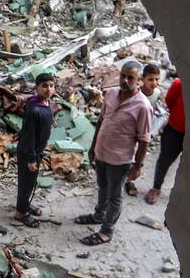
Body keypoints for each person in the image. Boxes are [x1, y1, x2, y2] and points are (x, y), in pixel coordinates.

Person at [77, 60, 151, 246]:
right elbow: (101, 121)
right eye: (123, 76)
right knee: (102, 186)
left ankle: (106, 231)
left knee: (115, 196)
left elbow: (144, 140)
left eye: (130, 78)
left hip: (120, 159)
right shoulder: (110, 94)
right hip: (102, 153)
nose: (125, 80)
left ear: (139, 80)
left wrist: (138, 166)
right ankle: (98, 215)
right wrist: (93, 147)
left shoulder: (143, 106)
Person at [14, 73, 55, 227]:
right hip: (29, 152)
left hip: (36, 150)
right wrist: (31, 159)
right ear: (36, 87)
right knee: (26, 183)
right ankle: (20, 213)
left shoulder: (43, 103)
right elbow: (30, 134)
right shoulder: (34, 109)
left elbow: (29, 128)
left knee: (29, 182)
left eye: (51, 86)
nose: (48, 89)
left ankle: (24, 204)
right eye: (44, 86)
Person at [126, 62, 166, 196]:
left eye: (156, 79)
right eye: (150, 79)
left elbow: (160, 110)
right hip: (132, 129)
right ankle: (126, 181)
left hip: (145, 129)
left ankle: (130, 179)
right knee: (128, 155)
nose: (154, 83)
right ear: (142, 79)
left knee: (139, 156)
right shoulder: (135, 93)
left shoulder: (157, 93)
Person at [145, 76, 184, 204]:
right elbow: (169, 102)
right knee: (164, 160)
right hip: (174, 129)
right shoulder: (179, 84)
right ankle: (156, 188)